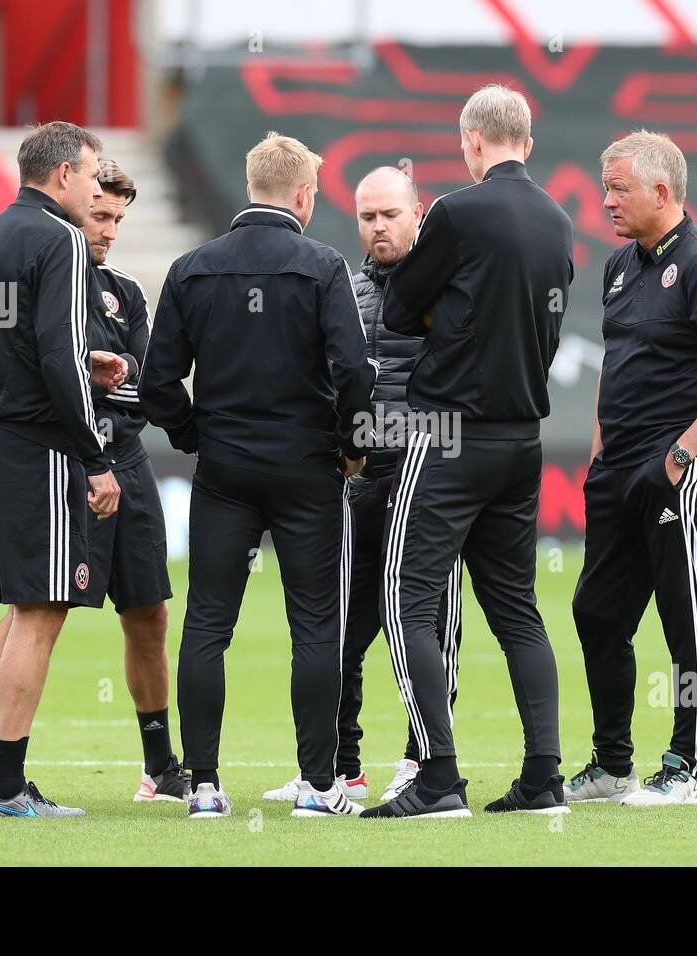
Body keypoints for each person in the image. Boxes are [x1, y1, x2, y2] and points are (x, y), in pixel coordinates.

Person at [140, 132, 376, 820]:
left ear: (251, 186)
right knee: (315, 628)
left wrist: (196, 436)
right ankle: (316, 785)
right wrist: (350, 446)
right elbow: (355, 372)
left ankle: (205, 785)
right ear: (304, 195)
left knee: (208, 625)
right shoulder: (323, 265)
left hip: (225, 471)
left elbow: (158, 383)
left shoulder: (192, 268)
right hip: (307, 468)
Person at [361, 85, 575, 819]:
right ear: (527, 143)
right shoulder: (557, 218)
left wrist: (444, 311)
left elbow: (397, 305)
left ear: (472, 142)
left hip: (448, 434)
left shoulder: (455, 210)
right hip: (523, 438)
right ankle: (544, 776)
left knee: (406, 599)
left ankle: (437, 776)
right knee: (517, 609)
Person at [0, 121, 125, 818]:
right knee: (43, 612)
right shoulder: (64, 239)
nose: (97, 186)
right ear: (66, 173)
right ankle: (7, 788)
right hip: (35, 444)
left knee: (22, 606)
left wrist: (83, 367)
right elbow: (53, 354)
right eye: (93, 173)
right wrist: (95, 458)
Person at [567, 130, 697, 807]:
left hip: (680, 465)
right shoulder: (619, 266)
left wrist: (682, 453)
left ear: (661, 191)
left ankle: (684, 768)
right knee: (595, 611)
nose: (606, 200)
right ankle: (612, 765)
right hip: (618, 467)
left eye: (618, 188)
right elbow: (612, 368)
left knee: (684, 612)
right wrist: (599, 454)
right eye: (605, 187)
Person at [261, 166, 463, 805]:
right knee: (342, 627)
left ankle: (422, 759)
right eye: (367, 216)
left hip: (428, 480)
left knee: (430, 624)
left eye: (390, 214)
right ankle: (339, 765)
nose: (378, 226)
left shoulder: (451, 291)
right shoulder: (342, 289)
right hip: (360, 481)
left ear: (417, 212)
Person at [82, 158, 182, 802]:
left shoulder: (125, 292)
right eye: (101, 215)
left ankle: (159, 764)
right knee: (38, 614)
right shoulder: (39, 277)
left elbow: (142, 387)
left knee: (148, 613)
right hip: (61, 460)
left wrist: (105, 383)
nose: (112, 230)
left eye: (119, 218)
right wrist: (79, 376)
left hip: (127, 460)